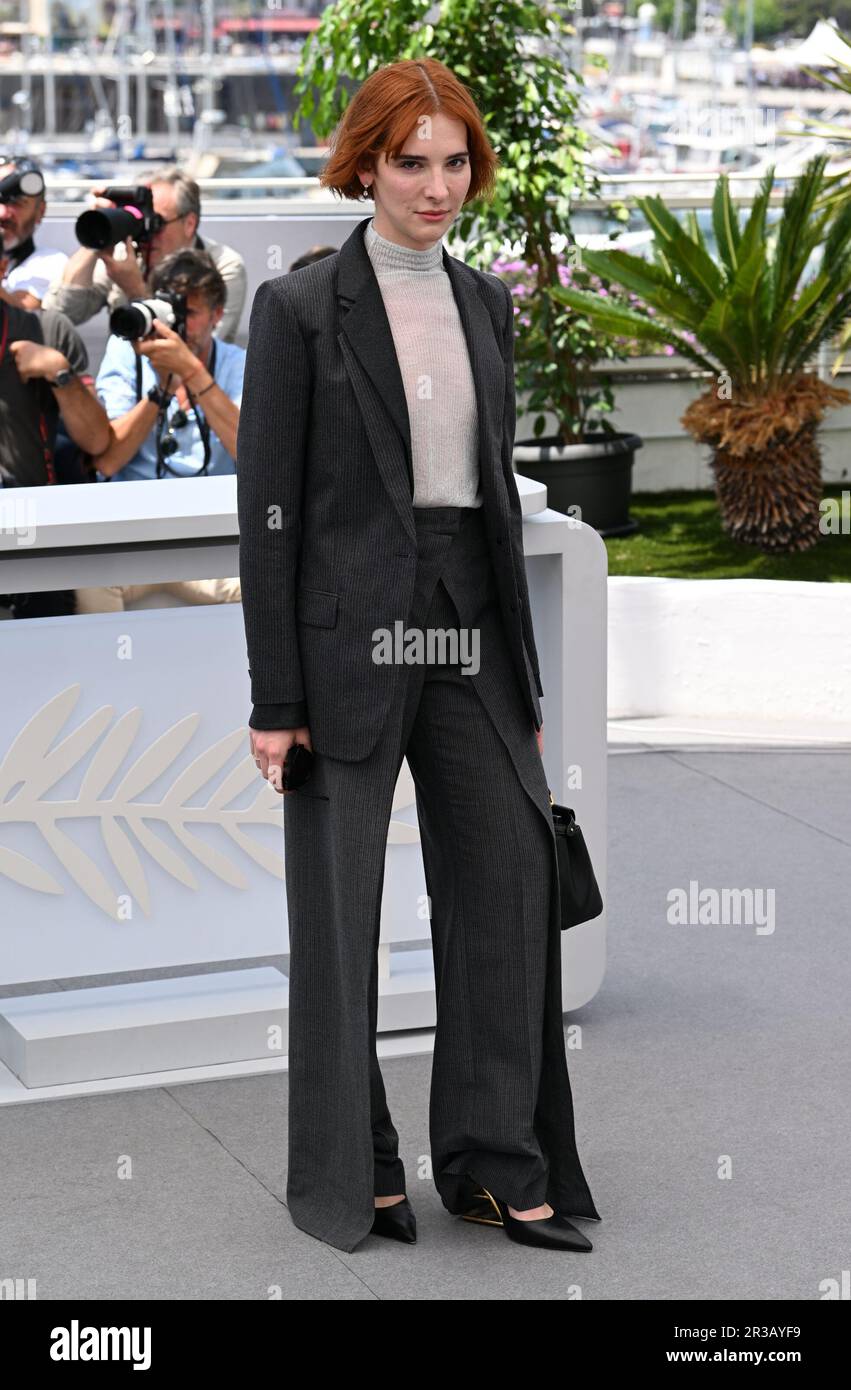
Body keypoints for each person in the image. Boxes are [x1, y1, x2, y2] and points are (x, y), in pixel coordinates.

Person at [237, 58, 601, 1255]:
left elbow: (491, 498)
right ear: (364, 164)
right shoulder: (296, 312)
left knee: (505, 886)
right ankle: (363, 1170)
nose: (436, 187)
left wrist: (527, 689)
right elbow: (271, 513)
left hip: (472, 634)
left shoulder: (484, 303)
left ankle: (495, 1160)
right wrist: (275, 698)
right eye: (411, 163)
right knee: (342, 919)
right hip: (345, 644)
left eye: (454, 163)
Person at [73, 247, 245, 615]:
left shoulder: (238, 364)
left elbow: (251, 455)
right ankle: (104, 673)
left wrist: (193, 374)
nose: (177, 326)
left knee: (263, 586)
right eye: (171, 311)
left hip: (209, 542)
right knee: (89, 579)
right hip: (132, 538)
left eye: (191, 313)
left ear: (217, 316)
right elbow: (107, 462)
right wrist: (160, 391)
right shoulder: (126, 354)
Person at [42, 166, 247, 342]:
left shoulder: (223, 266)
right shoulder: (125, 256)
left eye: (156, 223)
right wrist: (98, 236)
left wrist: (136, 292)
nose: (146, 233)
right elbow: (62, 312)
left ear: (189, 224)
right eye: (140, 221)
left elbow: (201, 351)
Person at [0, 158, 68, 310]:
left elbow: (24, 312)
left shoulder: (50, 262)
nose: (3, 213)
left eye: (17, 203)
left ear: (40, 211)